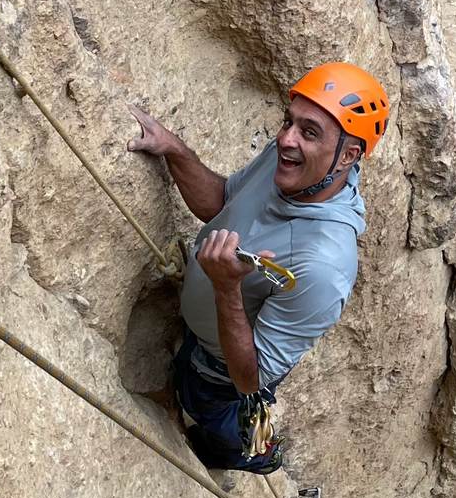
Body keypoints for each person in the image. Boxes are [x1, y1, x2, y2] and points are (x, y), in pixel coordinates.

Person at [127, 63, 389, 471]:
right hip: (205, 337)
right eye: (290, 122)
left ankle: (249, 456)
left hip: (221, 373)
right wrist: (174, 149)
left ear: (348, 156)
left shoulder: (322, 265)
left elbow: (251, 378)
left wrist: (226, 289)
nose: (286, 139)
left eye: (310, 131)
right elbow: (222, 201)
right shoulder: (288, 163)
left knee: (211, 412)